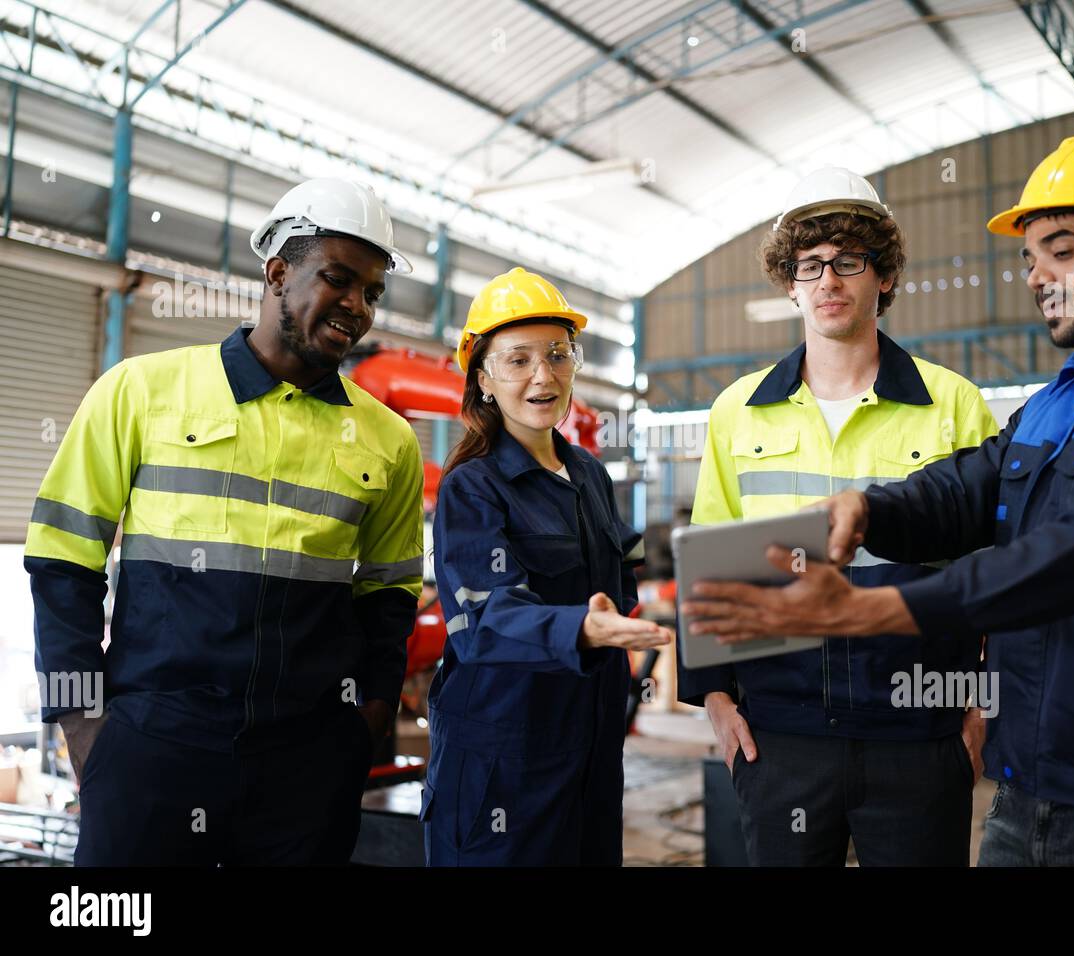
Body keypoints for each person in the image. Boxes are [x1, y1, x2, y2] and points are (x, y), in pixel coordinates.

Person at [684, 137, 1074, 867]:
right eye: (1030, 259)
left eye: (1060, 251)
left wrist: (877, 616)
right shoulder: (1052, 407)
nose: (1037, 277)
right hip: (1026, 793)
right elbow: (963, 489)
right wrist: (867, 510)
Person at [25, 178, 426, 865]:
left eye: (371, 292)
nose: (357, 308)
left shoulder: (388, 440)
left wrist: (365, 725)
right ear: (276, 272)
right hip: (152, 750)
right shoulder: (139, 392)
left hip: (307, 768)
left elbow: (389, 600)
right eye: (338, 279)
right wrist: (83, 726)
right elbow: (63, 565)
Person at [677, 167, 1000, 866]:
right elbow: (707, 563)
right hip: (779, 736)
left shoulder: (954, 405)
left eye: (849, 261)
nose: (829, 280)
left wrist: (982, 712)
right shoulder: (738, 411)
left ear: (882, 277)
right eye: (811, 265)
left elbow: (998, 572)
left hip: (921, 733)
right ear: (789, 282)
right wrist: (715, 701)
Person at [423, 267, 671, 866]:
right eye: (518, 360)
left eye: (558, 355)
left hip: (590, 753)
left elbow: (622, 568)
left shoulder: (589, 473)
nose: (543, 375)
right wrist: (581, 629)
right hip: (503, 761)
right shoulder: (472, 488)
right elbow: (481, 621)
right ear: (483, 378)